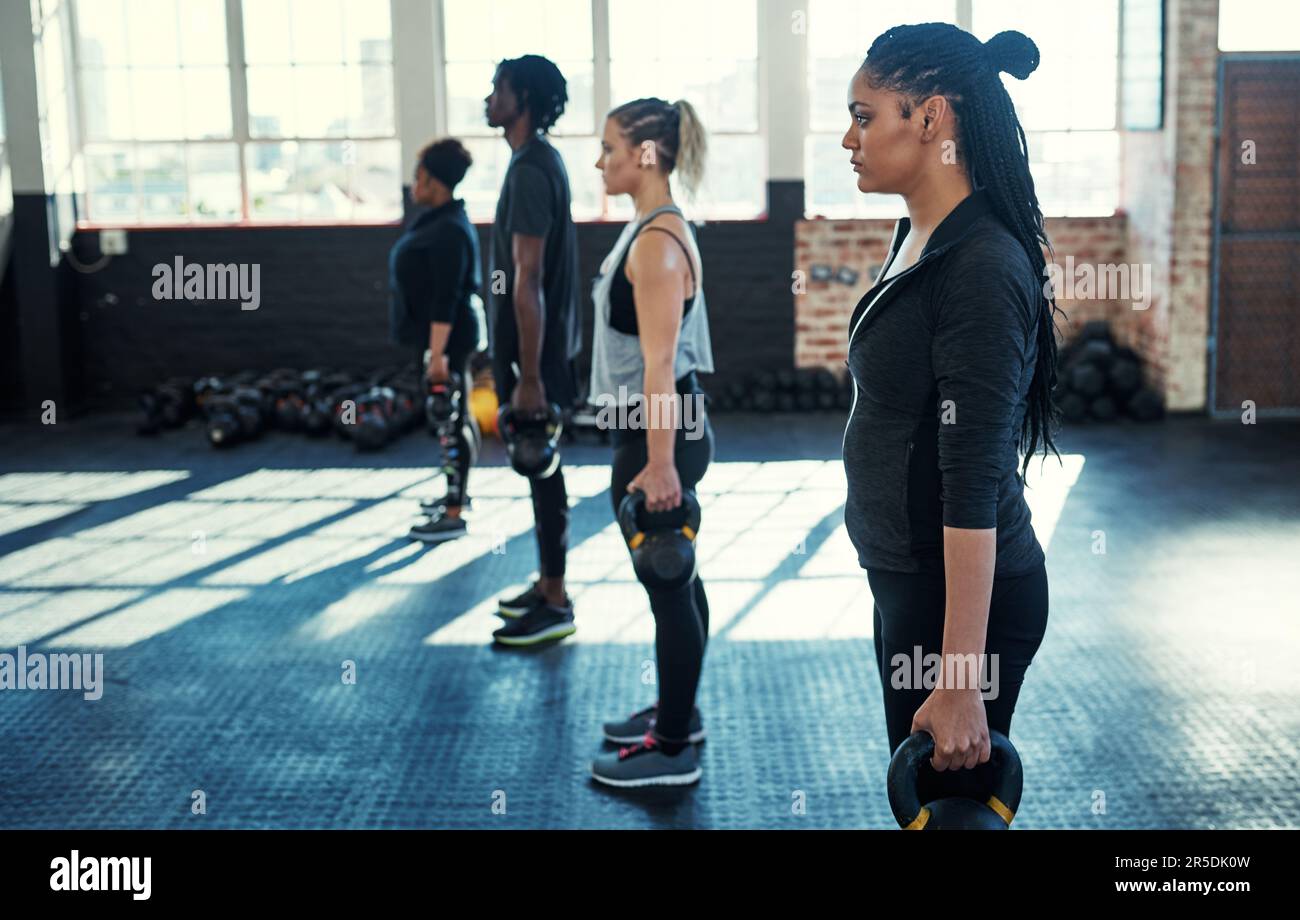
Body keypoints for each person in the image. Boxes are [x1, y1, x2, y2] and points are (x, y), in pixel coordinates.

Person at [839, 24, 1064, 805]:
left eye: (865, 116)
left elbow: (970, 478)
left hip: (960, 604)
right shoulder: (921, 233)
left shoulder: (980, 265)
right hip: (910, 584)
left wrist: (960, 678)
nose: (849, 137)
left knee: (950, 817)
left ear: (929, 118)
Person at [586, 97, 715, 787]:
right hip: (648, 432)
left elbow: (662, 365)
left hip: (658, 436)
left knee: (667, 580)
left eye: (608, 147)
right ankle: (678, 712)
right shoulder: (649, 228)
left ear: (644, 154)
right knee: (677, 580)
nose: (600, 161)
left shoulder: (658, 243)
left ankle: (670, 751)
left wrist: (660, 463)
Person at [483, 55, 584, 646]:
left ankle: (555, 601)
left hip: (535, 361)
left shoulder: (529, 170)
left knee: (540, 470)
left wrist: (527, 376)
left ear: (522, 98)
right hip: (537, 356)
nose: (489, 98)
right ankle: (550, 586)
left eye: (498, 89)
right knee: (543, 475)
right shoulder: (536, 161)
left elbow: (526, 279)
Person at [388, 138, 483, 544]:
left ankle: (454, 512)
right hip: (442, 337)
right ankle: (455, 495)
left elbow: (447, 297)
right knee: (456, 419)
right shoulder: (440, 219)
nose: (413, 184)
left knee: (449, 419)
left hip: (449, 338)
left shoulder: (448, 231)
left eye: (419, 176)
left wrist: (438, 353)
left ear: (435, 181)